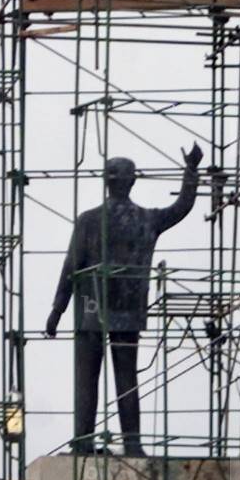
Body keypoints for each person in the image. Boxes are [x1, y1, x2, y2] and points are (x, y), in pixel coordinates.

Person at [46, 144, 203, 456]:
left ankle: (84, 440)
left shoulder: (89, 220)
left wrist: (57, 309)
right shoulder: (146, 219)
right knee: (126, 377)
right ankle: (131, 442)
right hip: (127, 311)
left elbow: (71, 267)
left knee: (87, 378)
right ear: (132, 181)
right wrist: (191, 172)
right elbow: (181, 209)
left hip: (92, 310)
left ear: (107, 181)